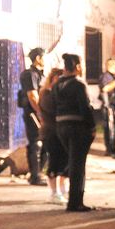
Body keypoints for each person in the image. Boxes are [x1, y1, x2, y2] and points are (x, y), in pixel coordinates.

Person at [53, 53, 96, 212]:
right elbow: (85, 108)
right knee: (78, 165)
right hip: (77, 128)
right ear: (77, 67)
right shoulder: (79, 85)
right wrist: (91, 127)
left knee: (73, 162)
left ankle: (74, 200)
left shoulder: (57, 84)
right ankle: (75, 202)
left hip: (61, 126)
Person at [37, 67, 68, 203]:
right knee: (54, 161)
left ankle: (62, 189)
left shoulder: (57, 93)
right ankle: (54, 192)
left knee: (64, 162)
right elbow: (53, 110)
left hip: (61, 132)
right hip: (51, 132)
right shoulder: (46, 93)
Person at [19, 47, 45, 185]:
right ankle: (35, 176)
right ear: (38, 58)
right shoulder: (30, 74)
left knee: (43, 143)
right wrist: (40, 113)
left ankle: (38, 173)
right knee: (36, 143)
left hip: (39, 113)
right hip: (33, 113)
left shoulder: (40, 74)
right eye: (44, 57)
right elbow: (32, 96)